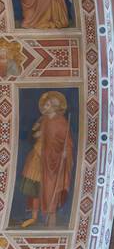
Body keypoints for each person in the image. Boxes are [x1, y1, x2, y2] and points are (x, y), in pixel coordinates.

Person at [19, 91, 73, 227]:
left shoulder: (61, 122)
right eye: (45, 104)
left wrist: (65, 151)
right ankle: (33, 217)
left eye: (48, 104)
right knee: (34, 186)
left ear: (55, 107)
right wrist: (37, 132)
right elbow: (33, 134)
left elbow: (67, 142)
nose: (45, 107)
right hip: (38, 156)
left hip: (53, 160)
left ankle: (51, 219)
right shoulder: (43, 119)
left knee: (50, 188)